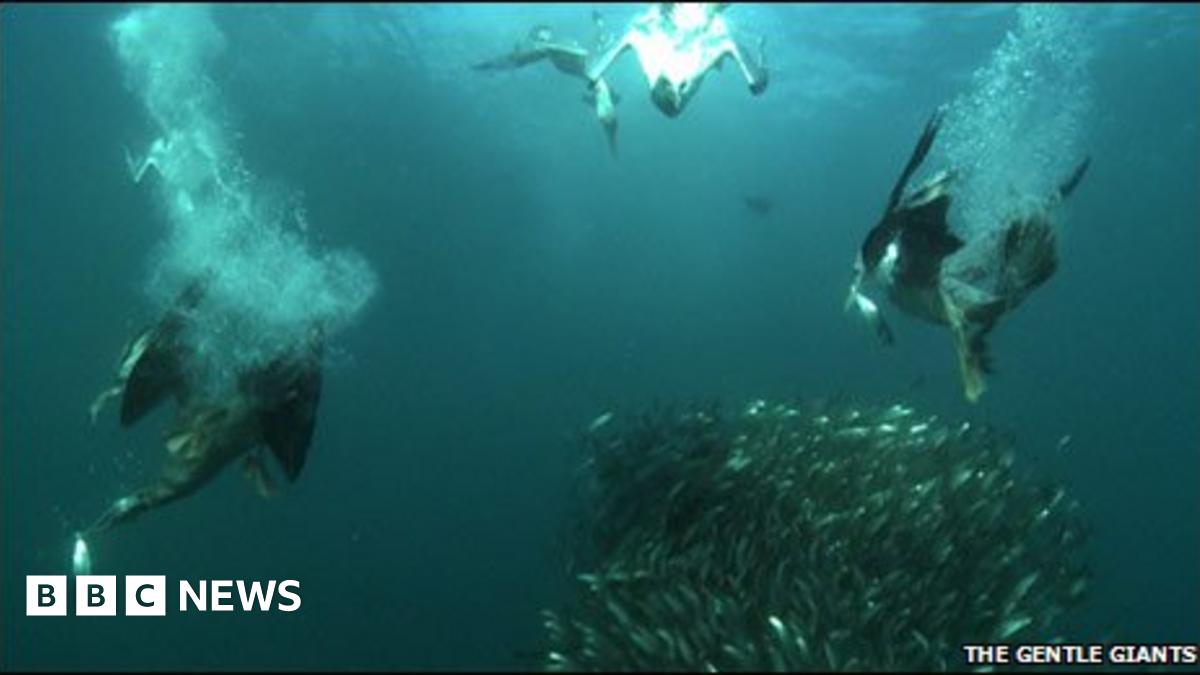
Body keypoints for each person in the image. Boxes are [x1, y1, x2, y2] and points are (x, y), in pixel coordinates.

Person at [847, 109, 1090, 402]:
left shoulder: (935, 246)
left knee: (1000, 248)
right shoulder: (896, 240)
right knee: (983, 281)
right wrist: (917, 156)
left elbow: (895, 210)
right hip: (920, 289)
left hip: (939, 291)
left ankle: (1029, 226)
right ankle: (988, 307)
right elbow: (892, 213)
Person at [84, 278, 325, 535]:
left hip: (228, 423)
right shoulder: (210, 413)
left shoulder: (195, 455)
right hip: (227, 423)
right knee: (199, 374)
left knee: (200, 376)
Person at [585, 2, 768, 118]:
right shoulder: (673, 66)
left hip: (682, 29)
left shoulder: (689, 66)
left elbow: (728, 44)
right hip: (677, 29)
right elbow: (632, 36)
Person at [472, 16, 622, 156]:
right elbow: (519, 60)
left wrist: (555, 47)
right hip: (589, 73)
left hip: (594, 70)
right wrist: (487, 66)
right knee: (603, 99)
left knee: (604, 102)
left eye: (542, 37)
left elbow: (581, 53)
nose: (539, 42)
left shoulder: (556, 46)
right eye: (537, 38)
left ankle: (613, 145)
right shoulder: (548, 51)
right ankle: (611, 142)